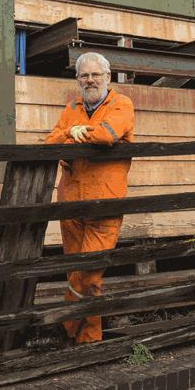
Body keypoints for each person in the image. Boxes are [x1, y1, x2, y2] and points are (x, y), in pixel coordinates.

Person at [45, 52, 135, 343]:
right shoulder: (72, 108)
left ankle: (88, 339)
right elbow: (49, 142)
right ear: (77, 80)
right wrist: (71, 130)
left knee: (90, 274)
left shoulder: (121, 104)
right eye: (84, 75)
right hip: (71, 201)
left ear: (108, 77)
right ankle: (72, 333)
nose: (90, 80)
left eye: (96, 75)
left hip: (104, 202)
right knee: (74, 270)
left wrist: (71, 135)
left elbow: (107, 135)